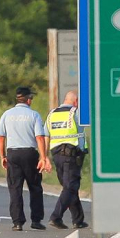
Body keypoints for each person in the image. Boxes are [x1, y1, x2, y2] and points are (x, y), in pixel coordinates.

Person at [0, 86, 51, 231]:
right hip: (30, 154)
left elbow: (0, 137)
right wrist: (43, 157)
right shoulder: (34, 115)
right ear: (28, 99)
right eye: (31, 98)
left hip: (13, 154)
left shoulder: (7, 114)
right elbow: (39, 137)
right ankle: (36, 220)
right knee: (35, 187)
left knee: (15, 188)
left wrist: (3, 156)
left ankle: (17, 222)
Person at [46, 91, 88, 229]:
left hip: (56, 155)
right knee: (70, 187)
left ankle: (78, 219)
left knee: (69, 187)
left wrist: (45, 156)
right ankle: (56, 217)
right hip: (72, 154)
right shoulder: (75, 113)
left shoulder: (52, 114)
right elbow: (81, 133)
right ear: (76, 101)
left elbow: (45, 135)